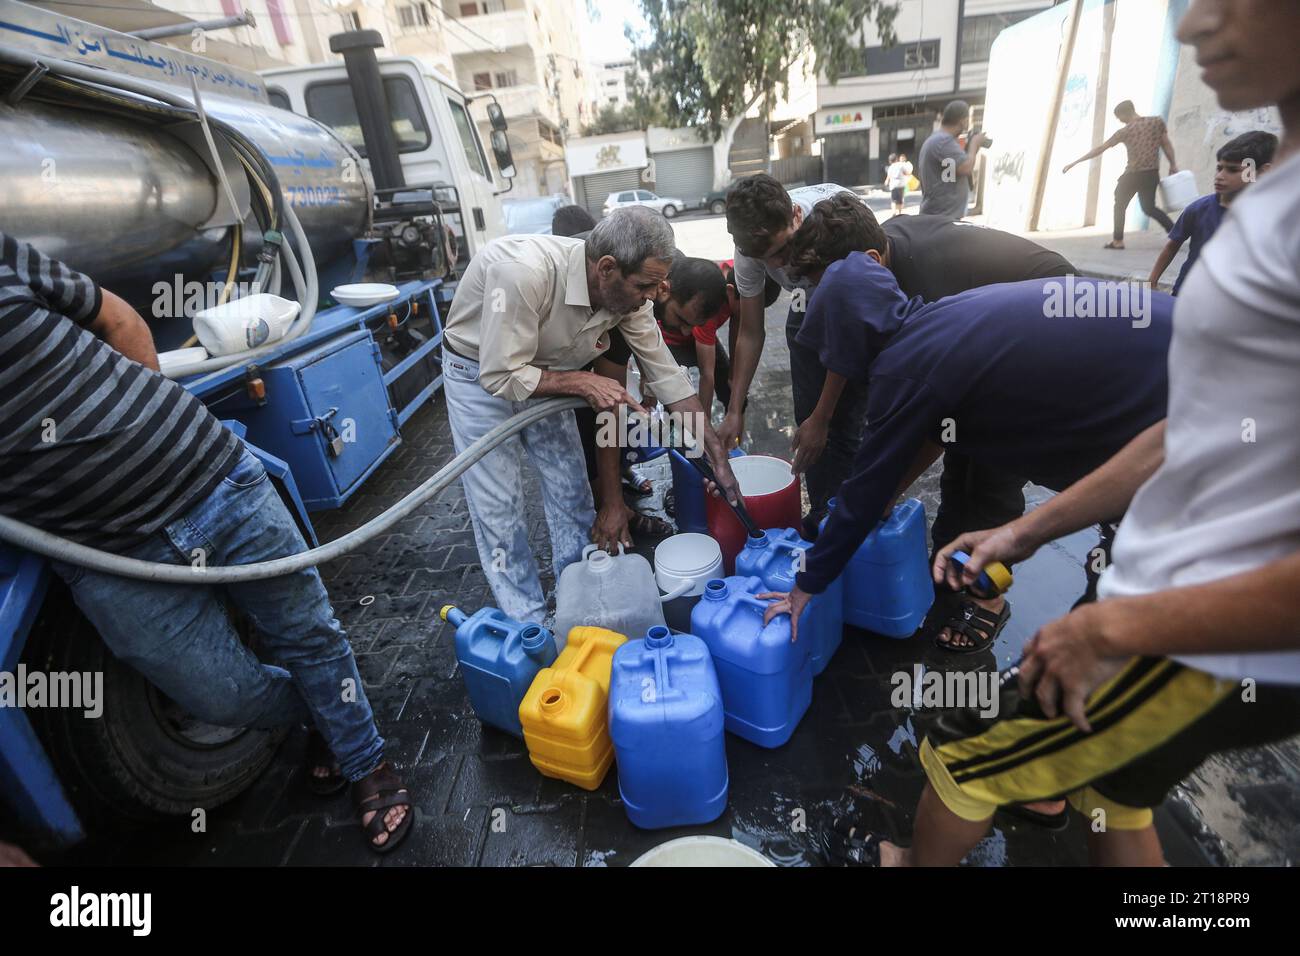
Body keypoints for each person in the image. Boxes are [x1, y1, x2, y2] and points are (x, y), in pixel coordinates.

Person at [853, 0, 1300, 867]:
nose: (1193, 25)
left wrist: (1109, 631)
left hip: (1203, 635)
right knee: (1114, 792)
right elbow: (1189, 434)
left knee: (961, 758)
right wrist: (1025, 529)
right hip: (1170, 600)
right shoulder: (1272, 195)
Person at [0, 232, 412, 853]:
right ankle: (327, 714)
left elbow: (116, 316)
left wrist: (146, 424)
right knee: (218, 695)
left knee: (309, 634)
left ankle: (366, 759)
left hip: (211, 471)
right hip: (110, 555)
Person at [763, 252, 1173, 659]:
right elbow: (929, 434)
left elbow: (863, 491)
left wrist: (806, 586)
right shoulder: (939, 317)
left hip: (1184, 383)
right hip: (1176, 336)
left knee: (1135, 555)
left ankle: (1109, 660)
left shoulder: (904, 367)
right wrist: (888, 490)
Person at [440, 206, 739, 619]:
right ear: (607, 268)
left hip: (548, 371)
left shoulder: (629, 299)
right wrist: (581, 382)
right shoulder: (523, 273)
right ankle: (528, 621)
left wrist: (710, 449)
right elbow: (500, 375)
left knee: (572, 492)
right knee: (499, 508)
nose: (653, 296)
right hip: (479, 373)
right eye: (646, 285)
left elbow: (666, 375)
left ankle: (577, 601)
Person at [786, 200, 1078, 571]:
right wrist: (821, 416)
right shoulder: (878, 256)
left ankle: (980, 595)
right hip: (1001, 321)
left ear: (871, 261)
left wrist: (885, 492)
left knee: (989, 475)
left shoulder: (928, 288)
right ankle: (948, 565)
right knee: (961, 459)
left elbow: (936, 421)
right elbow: (849, 341)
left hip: (1054, 316)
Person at [719, 175, 867, 536]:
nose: (781, 264)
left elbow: (848, 337)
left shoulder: (837, 225)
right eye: (768, 259)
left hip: (856, 305)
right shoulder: (749, 252)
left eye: (784, 251)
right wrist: (736, 408)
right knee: (808, 427)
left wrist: (824, 415)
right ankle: (821, 513)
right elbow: (751, 333)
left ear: (797, 216)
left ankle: (851, 520)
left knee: (845, 423)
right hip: (809, 302)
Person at [1149, 130, 1277, 293]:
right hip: (1187, 294)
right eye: (1219, 168)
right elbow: (1171, 247)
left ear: (1263, 171)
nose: (1219, 176)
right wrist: (1151, 281)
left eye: (1232, 170)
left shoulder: (1269, 218)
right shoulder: (1198, 209)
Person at [1062, 99, 1177, 249]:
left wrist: (1075, 162)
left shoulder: (1125, 131)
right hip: (1151, 173)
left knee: (1120, 205)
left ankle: (1118, 241)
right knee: (1149, 207)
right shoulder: (1156, 123)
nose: (1120, 120)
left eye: (1119, 117)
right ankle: (1176, 233)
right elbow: (1166, 144)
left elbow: (1100, 149)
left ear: (1124, 113)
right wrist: (1173, 163)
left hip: (1132, 175)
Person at [916, 100, 987, 221]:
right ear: (963, 121)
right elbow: (966, 168)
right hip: (943, 218)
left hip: (940, 216)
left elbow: (953, 170)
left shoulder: (938, 140)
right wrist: (974, 144)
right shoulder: (943, 142)